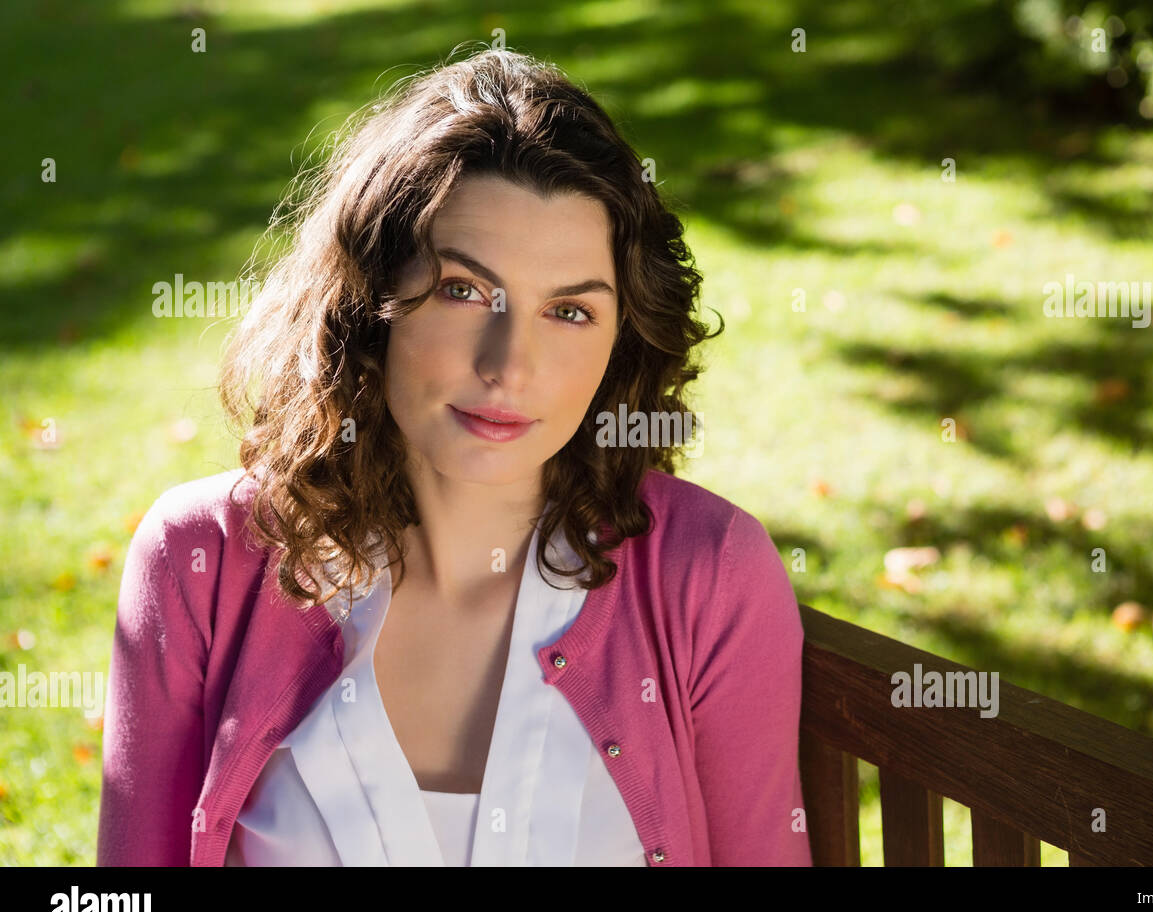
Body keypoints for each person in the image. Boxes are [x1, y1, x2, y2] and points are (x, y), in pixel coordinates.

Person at [97, 46, 811, 867]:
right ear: (369, 304)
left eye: (570, 312)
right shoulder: (202, 559)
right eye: (463, 290)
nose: (509, 366)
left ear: (622, 342)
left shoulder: (708, 573)